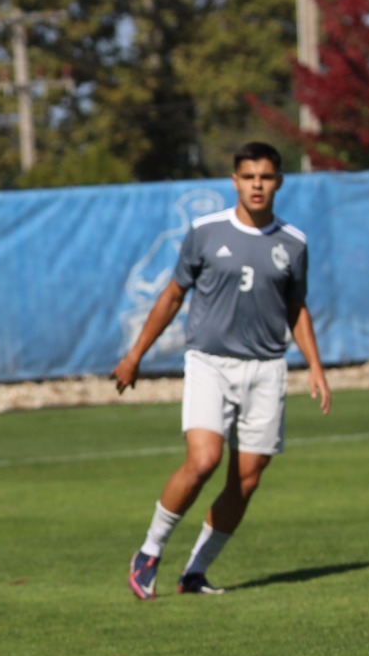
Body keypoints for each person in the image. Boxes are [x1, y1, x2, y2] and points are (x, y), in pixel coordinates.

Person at [111, 141, 331, 598]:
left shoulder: (294, 243)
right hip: (209, 363)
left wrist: (315, 366)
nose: (257, 185)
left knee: (247, 479)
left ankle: (195, 574)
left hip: (267, 368)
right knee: (204, 459)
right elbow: (172, 296)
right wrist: (135, 356)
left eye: (266, 177)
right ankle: (149, 552)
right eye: (248, 176)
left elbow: (296, 307)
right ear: (235, 181)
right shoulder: (206, 233)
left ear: (278, 182)